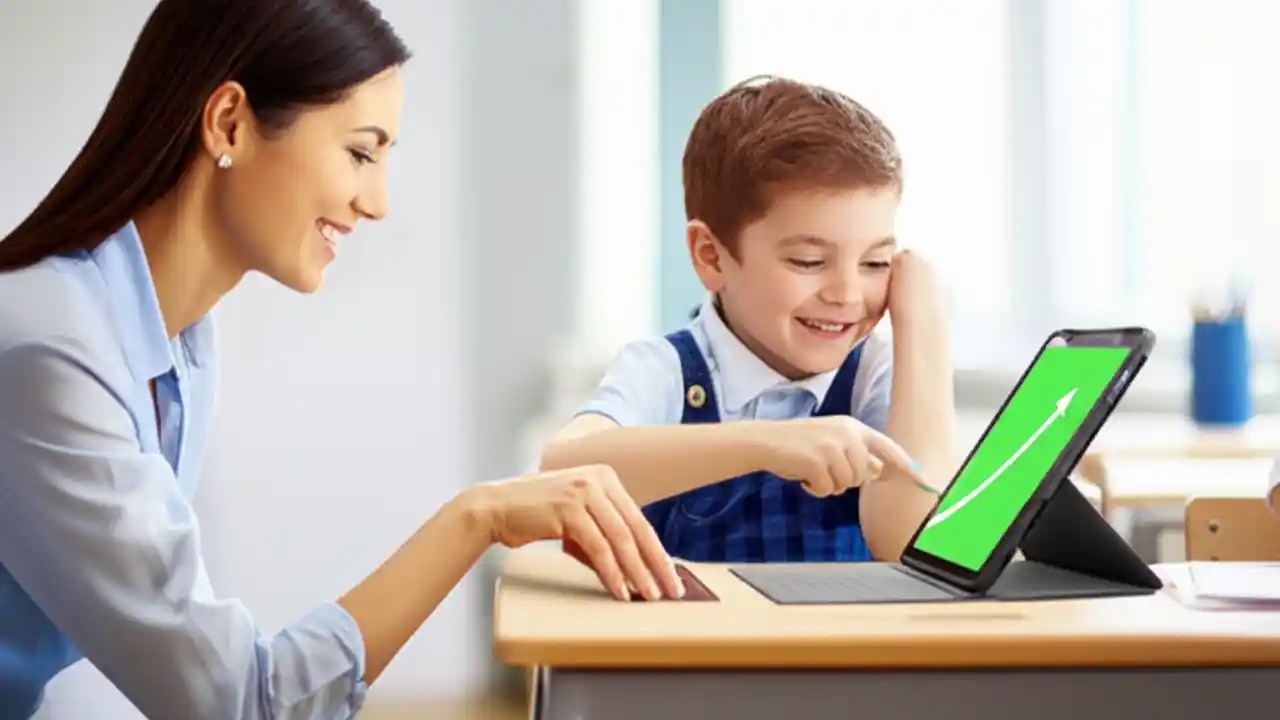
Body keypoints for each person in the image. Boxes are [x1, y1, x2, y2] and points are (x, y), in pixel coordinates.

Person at [0, 1, 681, 717]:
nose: (378, 201)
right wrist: (478, 517)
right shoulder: (56, 353)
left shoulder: (180, 340)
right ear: (229, 122)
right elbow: (237, 700)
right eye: (361, 152)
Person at [541, 76, 956, 564]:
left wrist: (922, 325)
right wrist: (768, 444)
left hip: (839, 643)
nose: (846, 294)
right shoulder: (666, 369)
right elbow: (558, 472)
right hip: (697, 642)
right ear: (711, 257)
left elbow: (912, 545)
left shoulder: (873, 371)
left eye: (875, 264)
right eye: (807, 261)